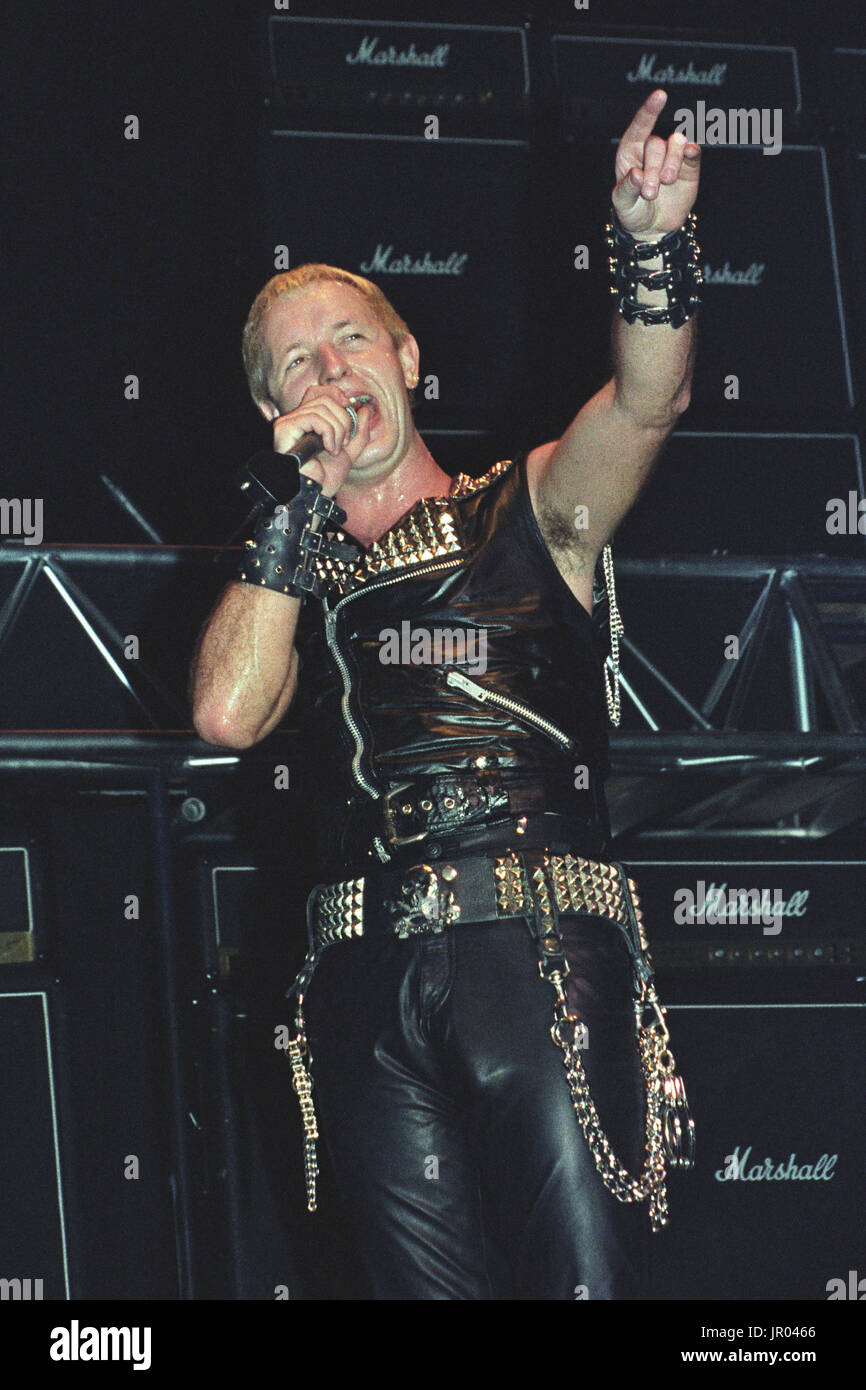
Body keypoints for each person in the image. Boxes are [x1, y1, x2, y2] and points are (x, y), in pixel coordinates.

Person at [190, 89, 700, 1300]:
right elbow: (224, 713)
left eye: (351, 340)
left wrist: (649, 250)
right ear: (277, 412)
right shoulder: (288, 585)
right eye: (298, 364)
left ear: (407, 357)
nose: (333, 371)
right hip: (359, 985)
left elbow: (645, 402)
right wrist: (284, 515)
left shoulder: (523, 510)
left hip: (525, 948)